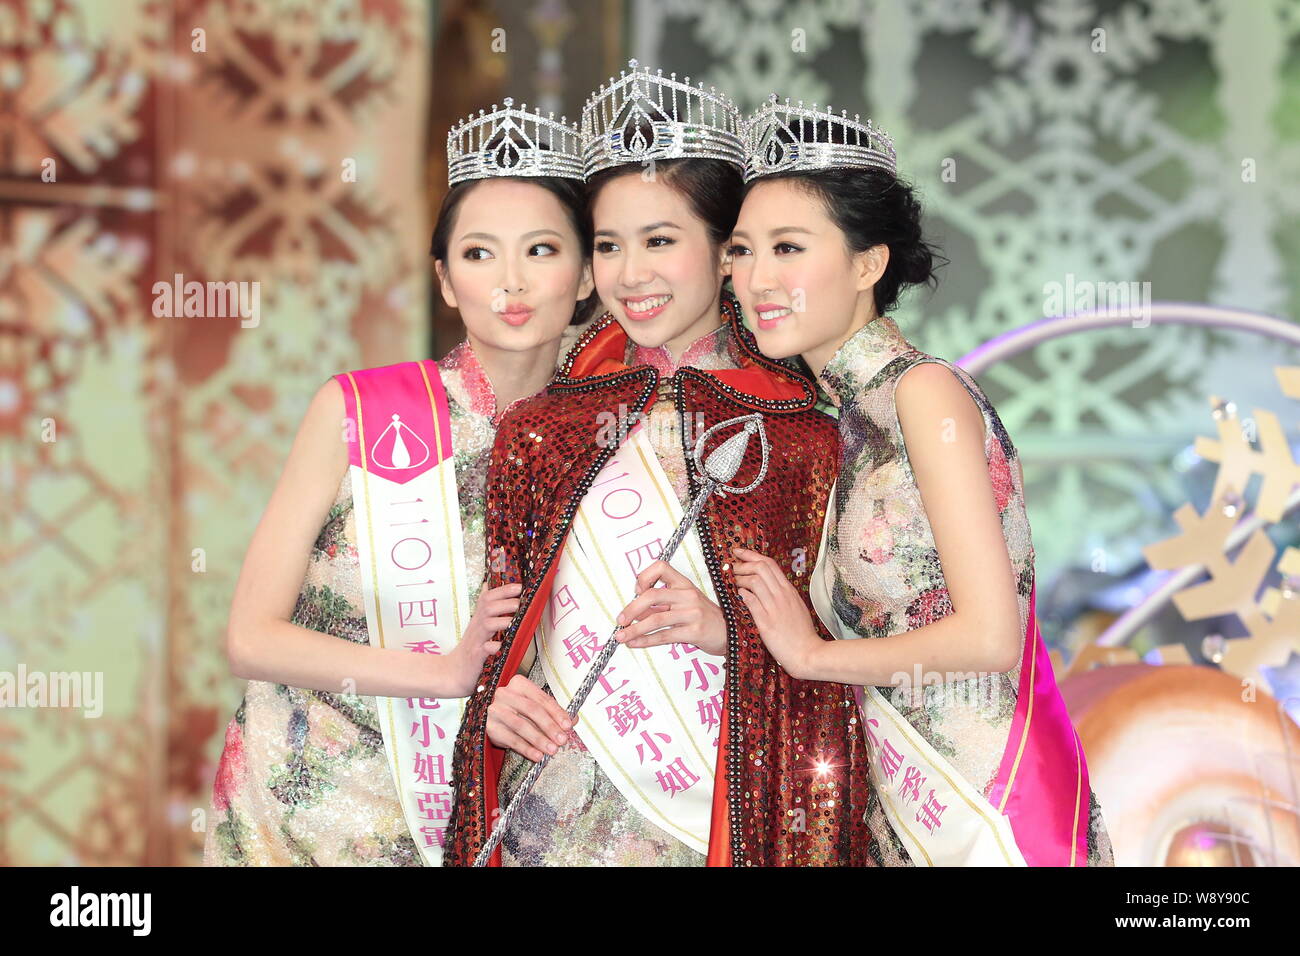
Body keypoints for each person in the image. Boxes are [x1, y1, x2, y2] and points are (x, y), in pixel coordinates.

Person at [443, 61, 878, 868]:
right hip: (561, 803)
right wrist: (499, 702)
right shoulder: (540, 429)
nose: (630, 273)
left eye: (661, 241)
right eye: (608, 244)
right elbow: (508, 630)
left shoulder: (805, 430)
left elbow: (858, 650)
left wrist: (726, 632)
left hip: (722, 800)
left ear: (725, 254)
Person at [204, 99, 596, 865]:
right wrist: (446, 675)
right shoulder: (356, 410)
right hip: (307, 806)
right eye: (480, 255)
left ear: (585, 274)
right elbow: (250, 636)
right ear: (446, 282)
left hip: (498, 809)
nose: (511, 281)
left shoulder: (608, 438)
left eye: (542, 251)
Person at [728, 95, 1115, 866]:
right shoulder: (834, 416)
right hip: (899, 805)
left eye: (788, 248)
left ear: (868, 265)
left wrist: (813, 657)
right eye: (741, 250)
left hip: (987, 807)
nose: (757, 278)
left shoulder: (922, 393)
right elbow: (878, 625)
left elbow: (990, 634)